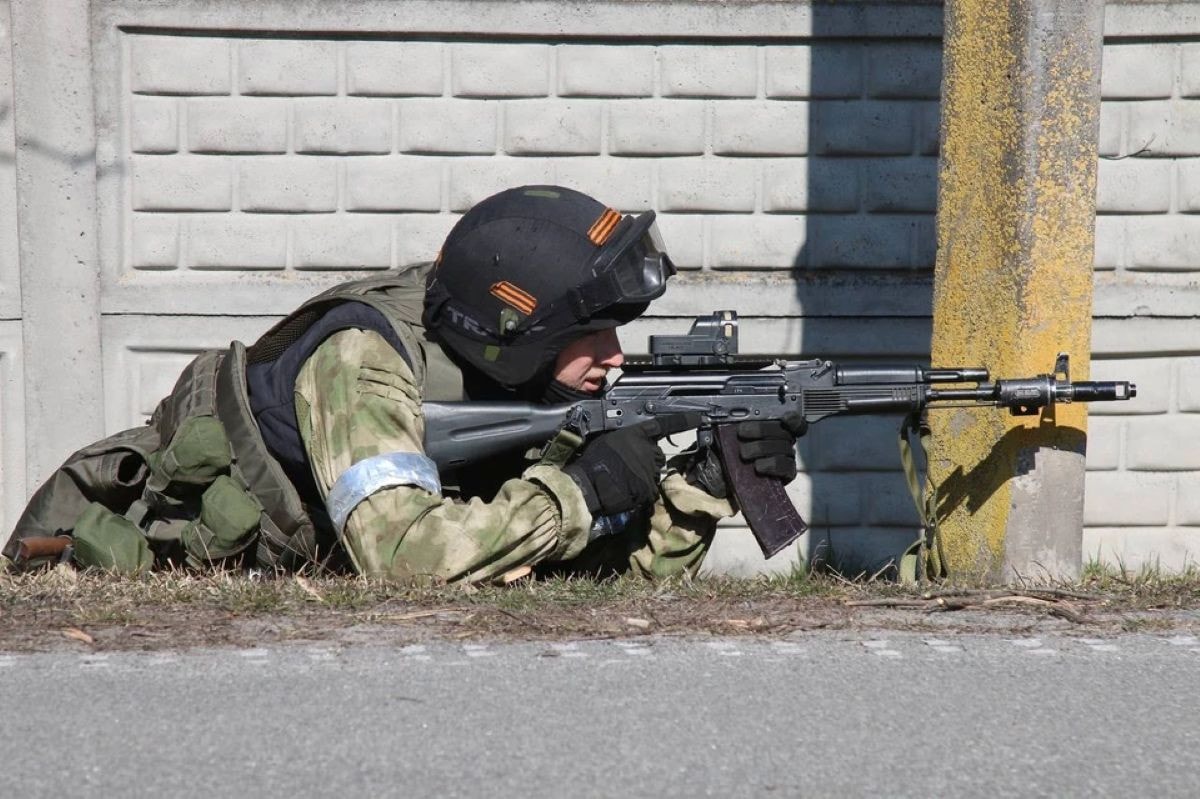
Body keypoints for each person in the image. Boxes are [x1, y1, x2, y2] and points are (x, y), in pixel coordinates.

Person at [3, 186, 805, 583]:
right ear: (514, 334)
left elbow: (598, 590)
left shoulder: (522, 382)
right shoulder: (363, 360)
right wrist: (577, 496)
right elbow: (403, 557)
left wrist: (697, 491)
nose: (616, 356)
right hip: (115, 556)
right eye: (588, 335)